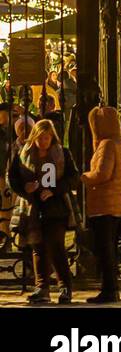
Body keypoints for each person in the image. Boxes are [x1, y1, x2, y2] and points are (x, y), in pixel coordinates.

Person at [8, 118, 75, 304]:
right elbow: (12, 177)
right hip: (32, 207)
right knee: (37, 247)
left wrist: (54, 190)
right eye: (41, 138)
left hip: (56, 208)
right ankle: (42, 287)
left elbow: (72, 177)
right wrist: (25, 188)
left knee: (56, 247)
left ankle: (65, 286)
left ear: (52, 137)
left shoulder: (62, 153)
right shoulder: (24, 154)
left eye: (47, 138)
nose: (44, 142)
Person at [81, 104, 121, 304]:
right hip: (116, 200)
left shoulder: (107, 144)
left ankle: (109, 289)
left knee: (104, 248)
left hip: (104, 202)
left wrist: (85, 177)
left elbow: (103, 173)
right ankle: (112, 287)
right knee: (110, 247)